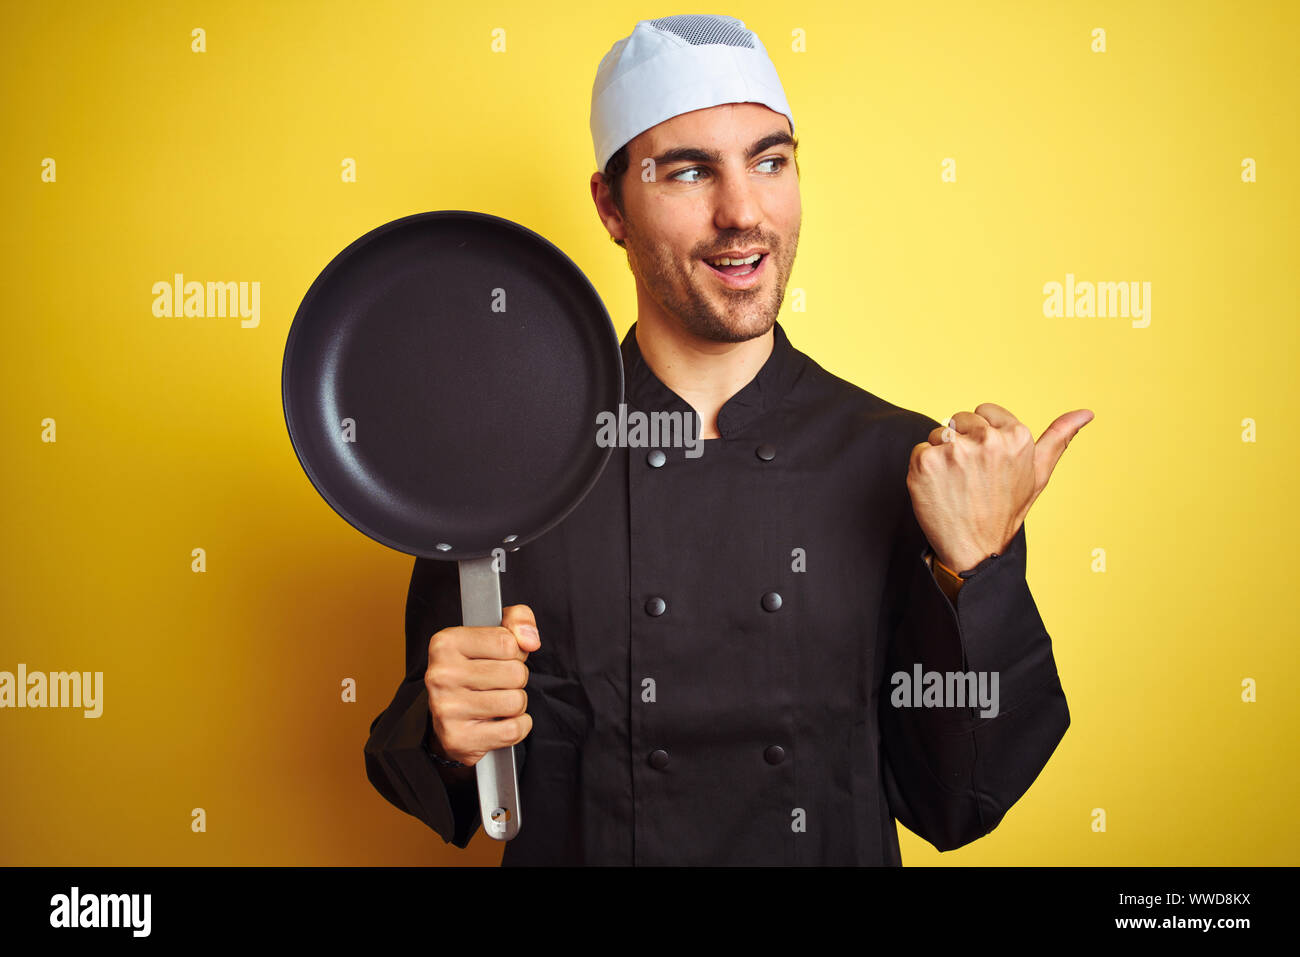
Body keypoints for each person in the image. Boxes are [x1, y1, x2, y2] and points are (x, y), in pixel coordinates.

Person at [364, 14, 1090, 865]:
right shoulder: (513, 470)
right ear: (611, 207)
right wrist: (446, 735)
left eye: (769, 160)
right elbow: (428, 763)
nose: (742, 212)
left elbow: (962, 799)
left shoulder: (912, 466)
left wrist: (978, 571)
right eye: (688, 172)